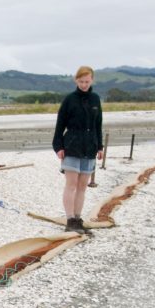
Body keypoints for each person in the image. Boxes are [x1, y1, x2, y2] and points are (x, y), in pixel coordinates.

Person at [51, 66, 105, 233]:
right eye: (81, 81)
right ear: (76, 80)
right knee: (71, 184)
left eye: (87, 81)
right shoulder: (69, 100)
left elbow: (98, 125)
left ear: (92, 80)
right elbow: (60, 125)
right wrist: (58, 146)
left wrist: (100, 146)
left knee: (83, 186)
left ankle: (78, 218)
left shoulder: (96, 99)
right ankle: (70, 220)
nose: (84, 84)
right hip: (71, 146)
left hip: (90, 147)